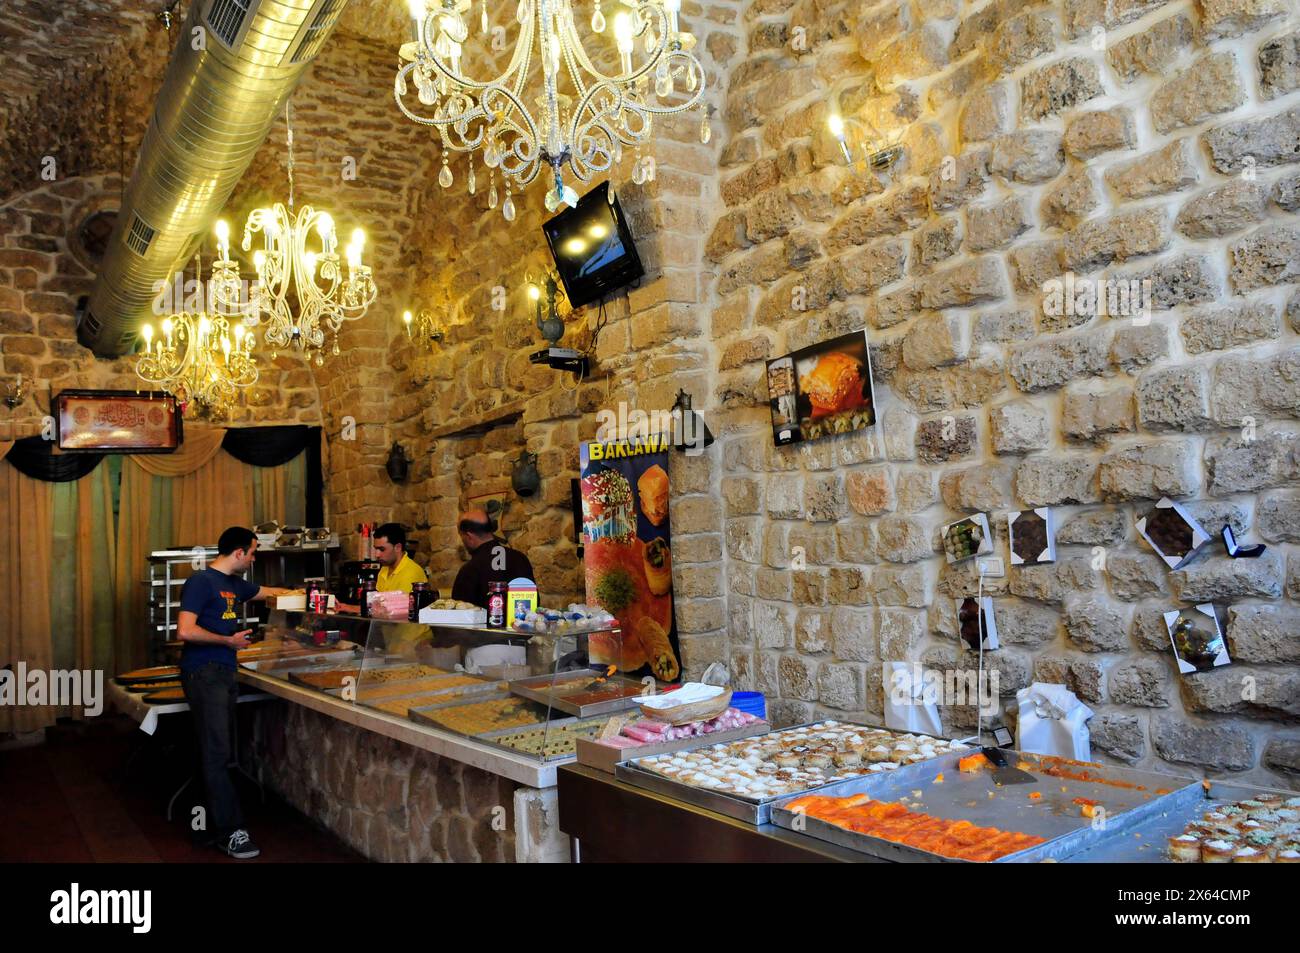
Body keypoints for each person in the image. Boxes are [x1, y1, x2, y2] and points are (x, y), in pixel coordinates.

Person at [177, 526, 289, 859]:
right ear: (239, 553)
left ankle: (207, 825)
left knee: (219, 749)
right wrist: (229, 640)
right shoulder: (201, 582)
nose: (254, 558)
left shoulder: (234, 585)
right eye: (253, 552)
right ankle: (231, 832)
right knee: (217, 752)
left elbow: (267, 591)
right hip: (205, 672)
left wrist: (310, 594)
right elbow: (185, 630)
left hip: (223, 671)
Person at [451, 508, 535, 608]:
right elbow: (534, 601)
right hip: (520, 622)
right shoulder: (520, 558)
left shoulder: (470, 569)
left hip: (489, 623)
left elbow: (459, 615)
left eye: (462, 537)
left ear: (469, 536)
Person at [373, 522, 429, 594]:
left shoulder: (411, 572)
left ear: (398, 547)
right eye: (376, 549)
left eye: (382, 549)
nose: (377, 554)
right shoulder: (384, 569)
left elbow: (401, 604)